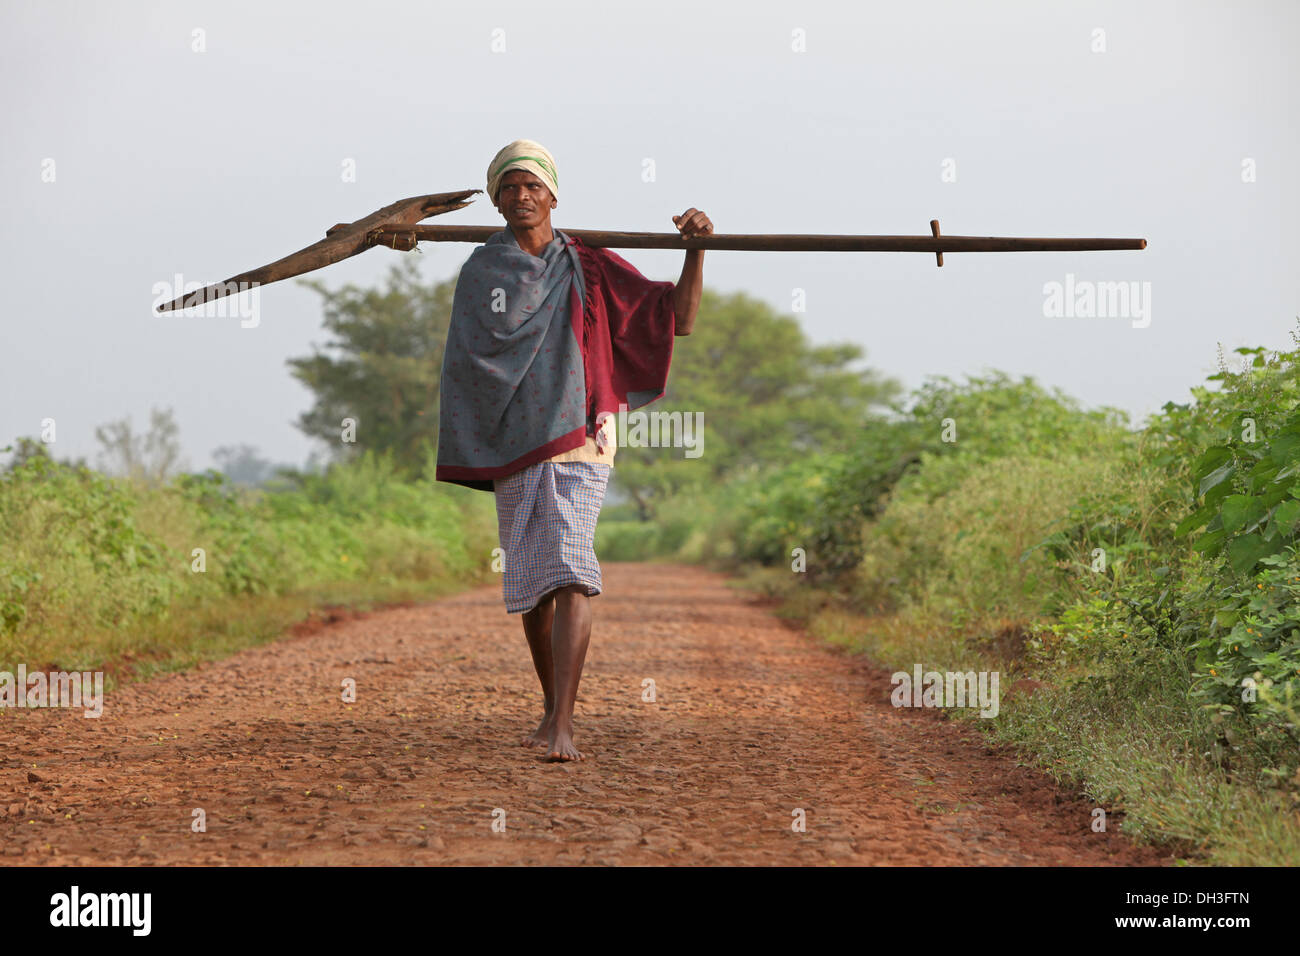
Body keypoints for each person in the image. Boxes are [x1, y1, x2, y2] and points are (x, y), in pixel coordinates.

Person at [436, 139, 711, 761]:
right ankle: (549, 706)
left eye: (533, 185)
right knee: (532, 583)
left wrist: (697, 251)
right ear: (497, 199)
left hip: (584, 438)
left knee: (569, 569)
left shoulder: (588, 265)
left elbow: (679, 318)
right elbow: (470, 363)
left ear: (553, 195)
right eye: (509, 187)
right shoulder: (483, 272)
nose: (521, 196)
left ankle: (563, 721)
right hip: (515, 439)